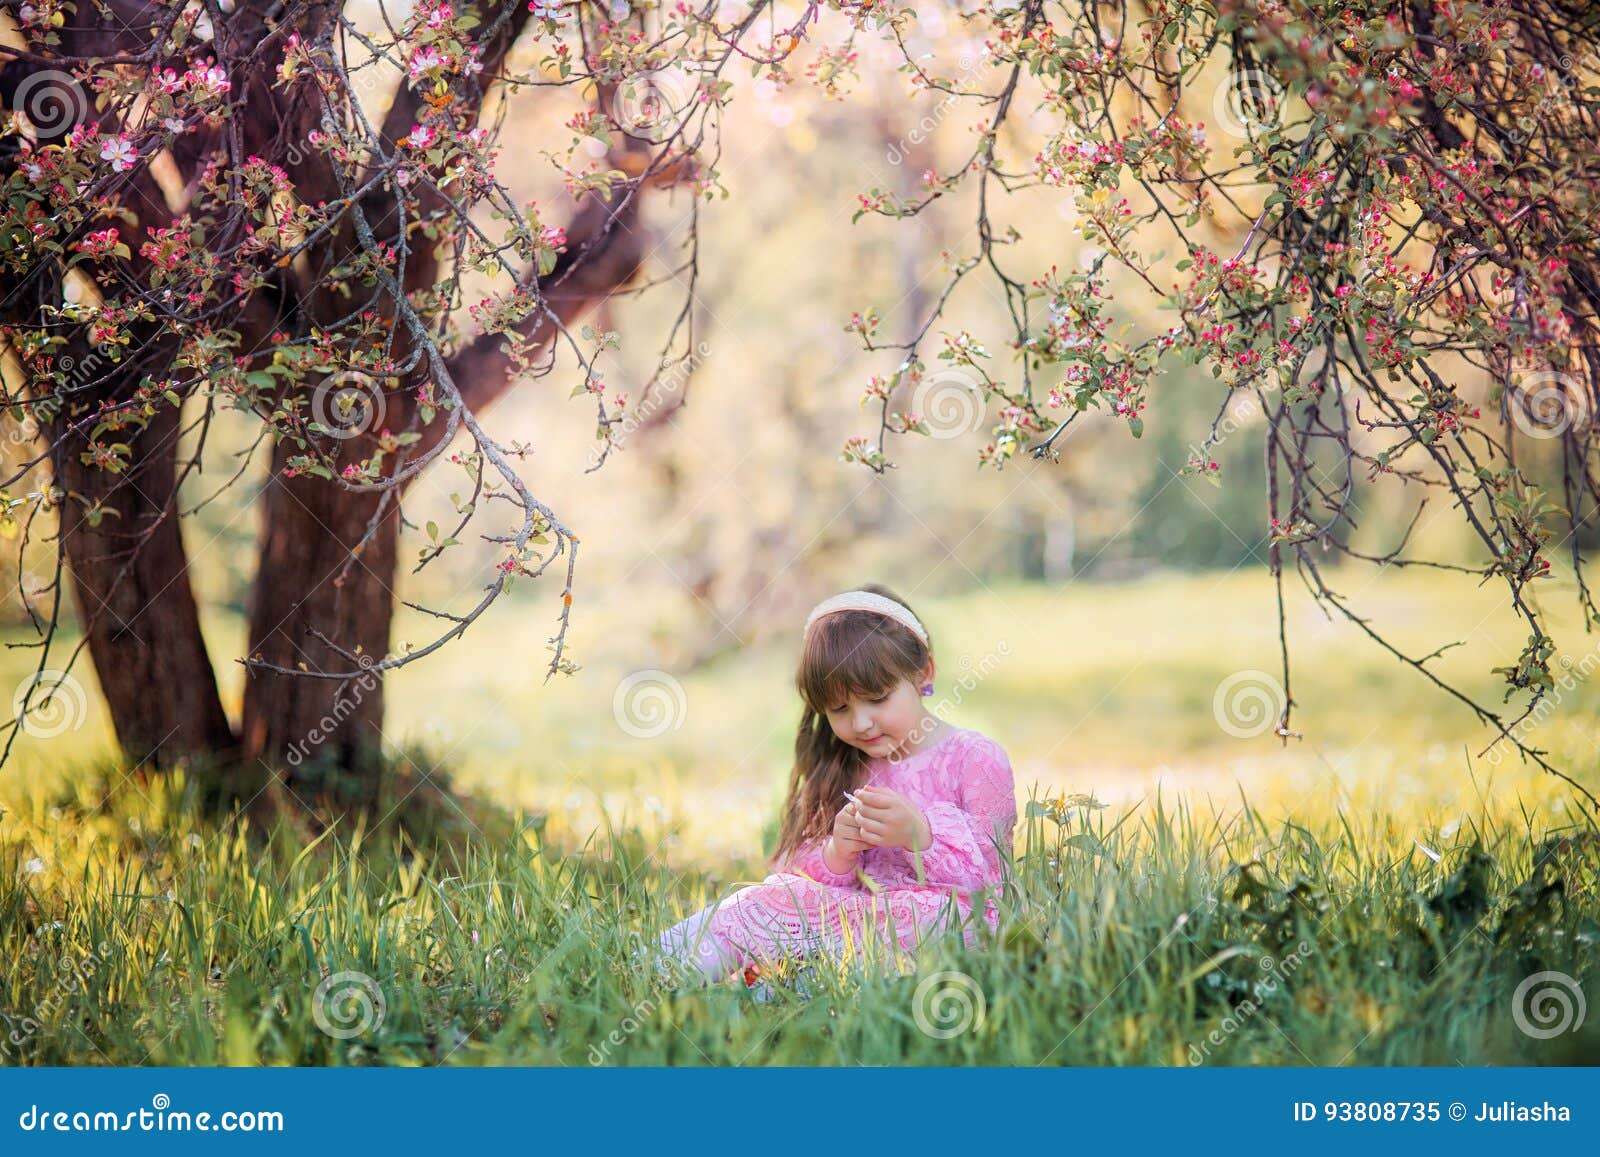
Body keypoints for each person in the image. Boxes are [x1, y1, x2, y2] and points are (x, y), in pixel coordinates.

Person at [648, 583, 1017, 994]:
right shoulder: (845, 763)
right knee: (771, 897)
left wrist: (920, 837)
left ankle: (785, 985)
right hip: (855, 916)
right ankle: (661, 967)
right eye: (840, 709)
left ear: (923, 672)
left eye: (877, 698)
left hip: (943, 920)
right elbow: (804, 873)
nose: (860, 724)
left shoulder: (975, 758)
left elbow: (992, 880)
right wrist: (838, 852)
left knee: (919, 916)